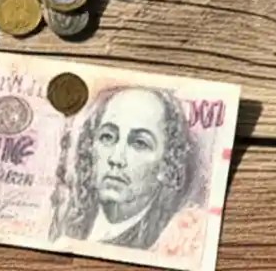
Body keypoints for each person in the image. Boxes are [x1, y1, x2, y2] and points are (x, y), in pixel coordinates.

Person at [56, 86, 197, 250]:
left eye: (139, 143)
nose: (116, 159)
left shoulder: (166, 239)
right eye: (107, 137)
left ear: (167, 164)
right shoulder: (67, 219)